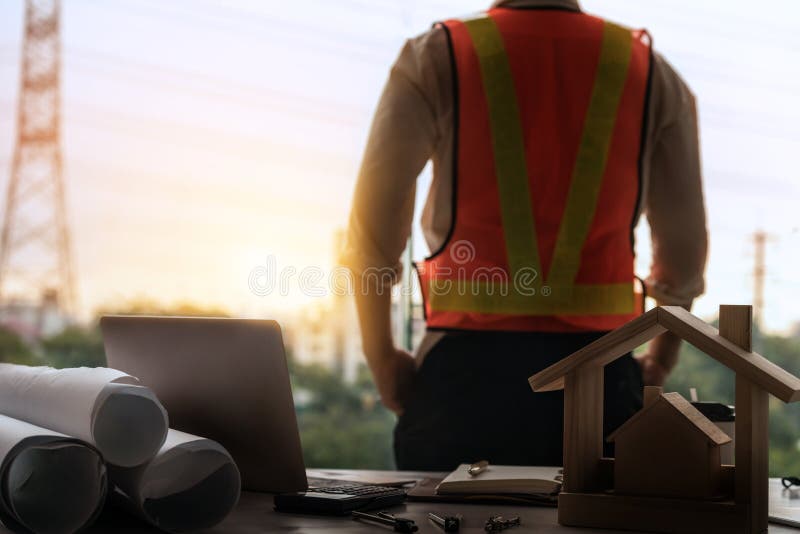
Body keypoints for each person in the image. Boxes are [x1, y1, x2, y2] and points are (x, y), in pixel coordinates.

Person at [342, 0, 707, 470]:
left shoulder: (439, 54)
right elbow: (684, 247)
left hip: (462, 385)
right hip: (601, 383)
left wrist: (381, 356)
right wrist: (660, 359)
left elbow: (375, 215)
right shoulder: (649, 72)